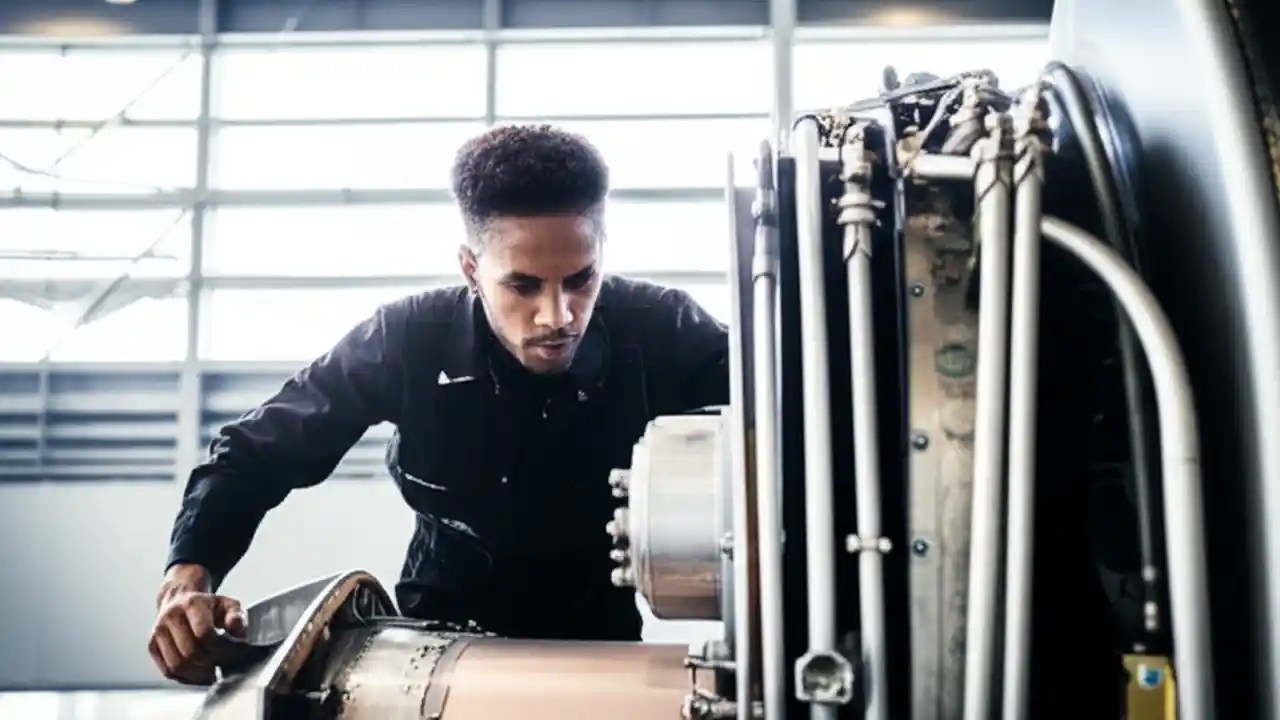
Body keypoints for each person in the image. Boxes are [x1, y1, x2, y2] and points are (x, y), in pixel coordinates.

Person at [147, 124, 730, 685]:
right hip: (437, 638)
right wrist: (189, 577)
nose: (558, 316)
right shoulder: (406, 339)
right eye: (524, 286)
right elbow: (255, 454)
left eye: (581, 280)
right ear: (472, 269)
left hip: (601, 644)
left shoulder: (661, 329)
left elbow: (798, 413)